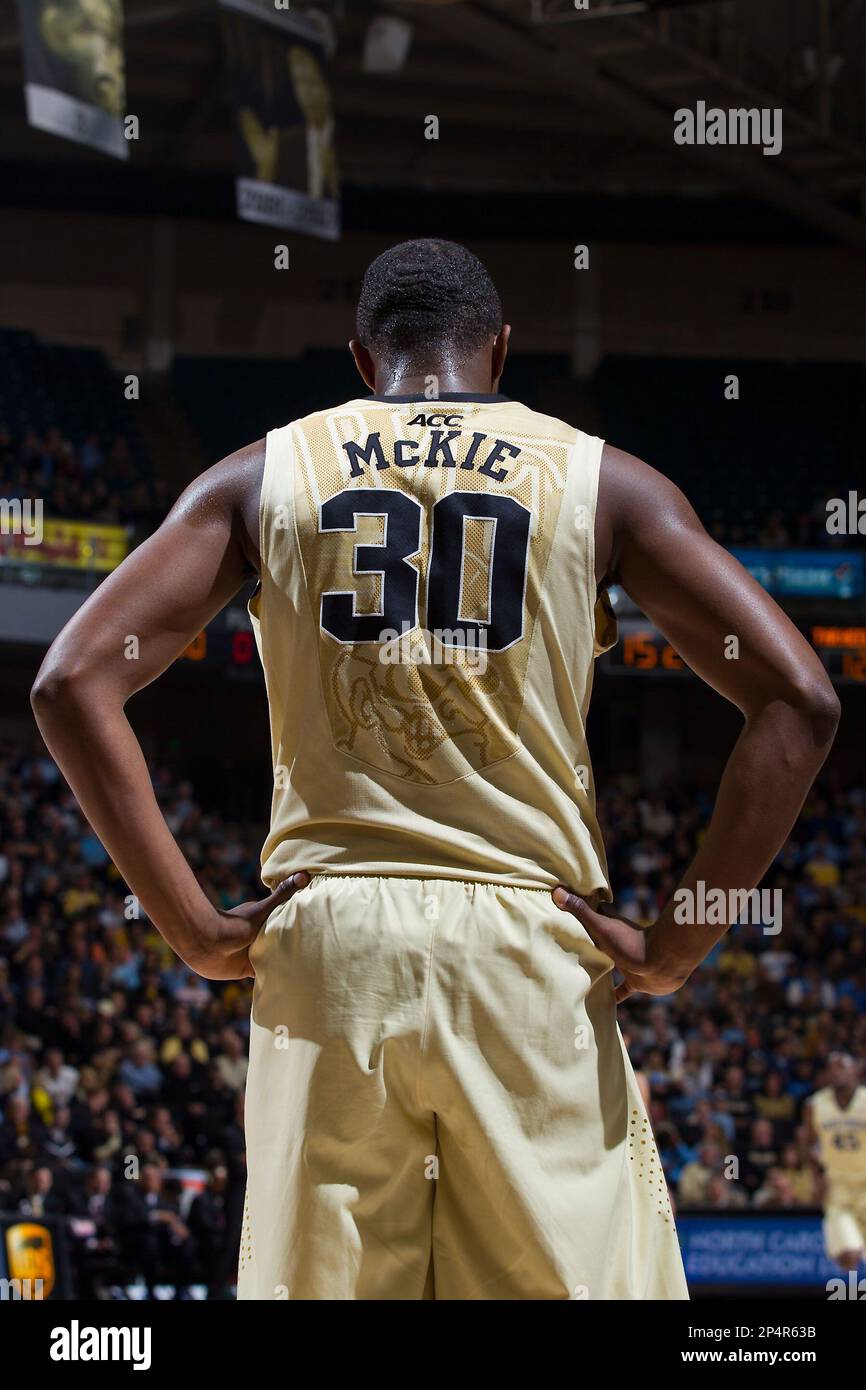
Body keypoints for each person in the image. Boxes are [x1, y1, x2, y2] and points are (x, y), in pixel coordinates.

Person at [32, 238, 839, 1300]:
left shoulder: (257, 474)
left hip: (330, 952)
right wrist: (674, 946)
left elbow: (69, 682)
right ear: (498, 351)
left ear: (364, 363)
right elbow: (800, 701)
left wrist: (192, 928)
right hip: (525, 943)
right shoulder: (603, 481)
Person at [805, 1053, 866, 1271]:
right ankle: (851, 1292)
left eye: (842, 1066)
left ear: (855, 1070)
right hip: (838, 1186)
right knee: (848, 1255)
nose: (836, 1071)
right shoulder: (815, 1104)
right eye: (832, 1068)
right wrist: (816, 1180)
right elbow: (810, 1145)